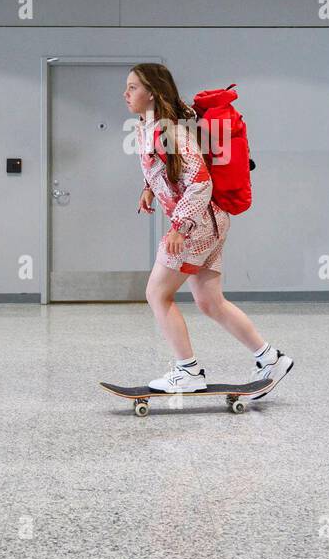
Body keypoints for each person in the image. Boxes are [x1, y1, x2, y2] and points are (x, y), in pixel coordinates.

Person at [123, 63, 294, 396]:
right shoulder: (149, 126)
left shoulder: (170, 131)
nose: (126, 93)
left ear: (153, 92)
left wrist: (179, 227)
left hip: (197, 225)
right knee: (210, 302)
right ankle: (270, 358)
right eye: (127, 87)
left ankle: (188, 371)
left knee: (157, 293)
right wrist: (148, 188)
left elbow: (200, 180)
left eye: (133, 87)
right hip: (211, 223)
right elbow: (162, 167)